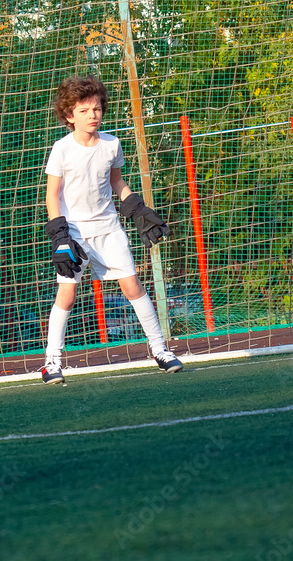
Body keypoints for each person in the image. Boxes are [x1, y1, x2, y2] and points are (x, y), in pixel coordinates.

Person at [41, 75, 183, 385]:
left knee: (132, 286)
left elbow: (116, 181)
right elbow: (52, 195)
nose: (92, 115)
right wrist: (60, 237)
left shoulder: (111, 144)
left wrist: (136, 207)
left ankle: (160, 351)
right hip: (74, 235)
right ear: (68, 115)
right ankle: (52, 362)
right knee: (67, 293)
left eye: (96, 109)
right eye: (83, 110)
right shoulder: (61, 149)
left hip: (108, 229)